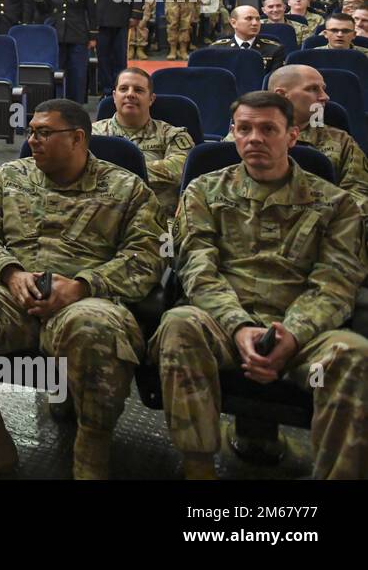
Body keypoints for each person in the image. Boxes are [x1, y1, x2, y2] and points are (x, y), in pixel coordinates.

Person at [0, 99, 165, 479]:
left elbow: (148, 258)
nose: (33, 141)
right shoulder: (10, 176)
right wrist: (10, 273)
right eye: (31, 132)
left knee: (95, 328)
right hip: (15, 298)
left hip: (85, 301)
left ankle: (91, 456)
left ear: (77, 138)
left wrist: (82, 286)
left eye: (44, 133)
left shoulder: (126, 189)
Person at [153, 92, 368, 479]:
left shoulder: (336, 205)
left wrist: (294, 336)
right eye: (244, 128)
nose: (254, 138)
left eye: (268, 129)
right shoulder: (203, 192)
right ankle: (198, 467)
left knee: (355, 355)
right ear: (232, 134)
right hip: (221, 323)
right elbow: (198, 271)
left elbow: (336, 284)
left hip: (303, 332)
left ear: (292, 136)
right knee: (179, 324)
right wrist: (238, 327)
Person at [224, 65, 368, 212]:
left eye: (323, 88)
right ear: (281, 95)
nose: (325, 96)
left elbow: (360, 194)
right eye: (312, 89)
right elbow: (221, 189)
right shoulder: (241, 139)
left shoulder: (340, 140)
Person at [91, 68, 195, 219]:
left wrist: (110, 174)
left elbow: (180, 170)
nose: (130, 94)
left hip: (156, 220)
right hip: (102, 218)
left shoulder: (172, 135)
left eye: (138, 90)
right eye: (123, 89)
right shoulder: (93, 135)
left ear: (151, 99)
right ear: (114, 96)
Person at [31, 0, 94, 103]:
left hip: (78, 34)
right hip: (56, 35)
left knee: (78, 72)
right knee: (57, 71)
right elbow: (43, 10)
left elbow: (92, 12)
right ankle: (57, 102)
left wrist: (92, 36)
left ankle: (76, 103)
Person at [209, 5, 286, 72]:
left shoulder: (274, 49)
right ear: (233, 23)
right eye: (249, 19)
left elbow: (274, 80)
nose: (255, 23)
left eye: (258, 19)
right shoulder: (217, 49)